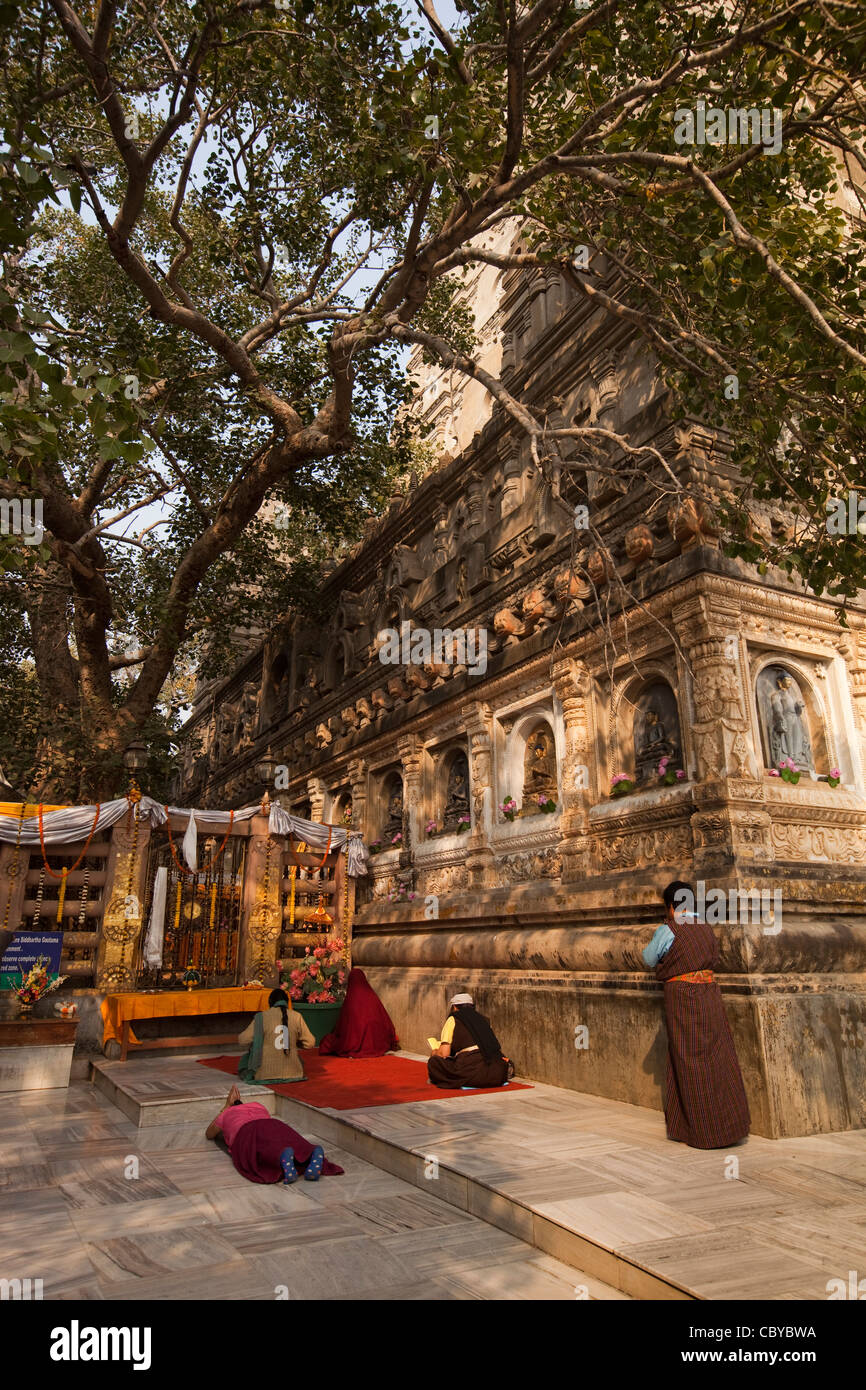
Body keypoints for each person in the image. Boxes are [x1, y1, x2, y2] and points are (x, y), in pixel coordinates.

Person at [643, 880, 750, 1149]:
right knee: (717, 1056)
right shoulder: (705, 928)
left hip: (682, 996)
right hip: (709, 995)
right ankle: (728, 1128)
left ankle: (702, 1131)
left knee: (688, 1059)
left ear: (670, 906)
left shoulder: (669, 929)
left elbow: (648, 958)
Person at [205, 1084, 343, 1184]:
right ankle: (312, 1150)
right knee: (285, 1138)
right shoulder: (257, 1105)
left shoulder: (227, 1114)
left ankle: (282, 1159)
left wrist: (225, 1107)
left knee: (263, 1148)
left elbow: (209, 1133)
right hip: (272, 1123)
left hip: (247, 1130)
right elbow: (266, 1124)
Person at [427, 992, 509, 1089]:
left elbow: (444, 1053)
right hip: (495, 1073)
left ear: (454, 1007)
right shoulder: (484, 1019)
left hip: (470, 1071)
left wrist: (435, 1052)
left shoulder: (453, 1019)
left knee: (434, 1062)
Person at [237, 988, 316, 1084]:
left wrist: (259, 1039)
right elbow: (310, 1043)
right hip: (294, 1073)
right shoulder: (297, 1016)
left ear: (270, 1002)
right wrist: (294, 1042)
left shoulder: (261, 1017)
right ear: (287, 1002)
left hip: (264, 1075)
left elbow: (243, 1040)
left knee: (245, 1060)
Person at [319, 967, 400, 1057]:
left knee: (328, 1041)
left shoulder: (351, 997)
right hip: (378, 1042)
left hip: (355, 1041)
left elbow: (343, 1025)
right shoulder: (371, 995)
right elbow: (385, 1020)